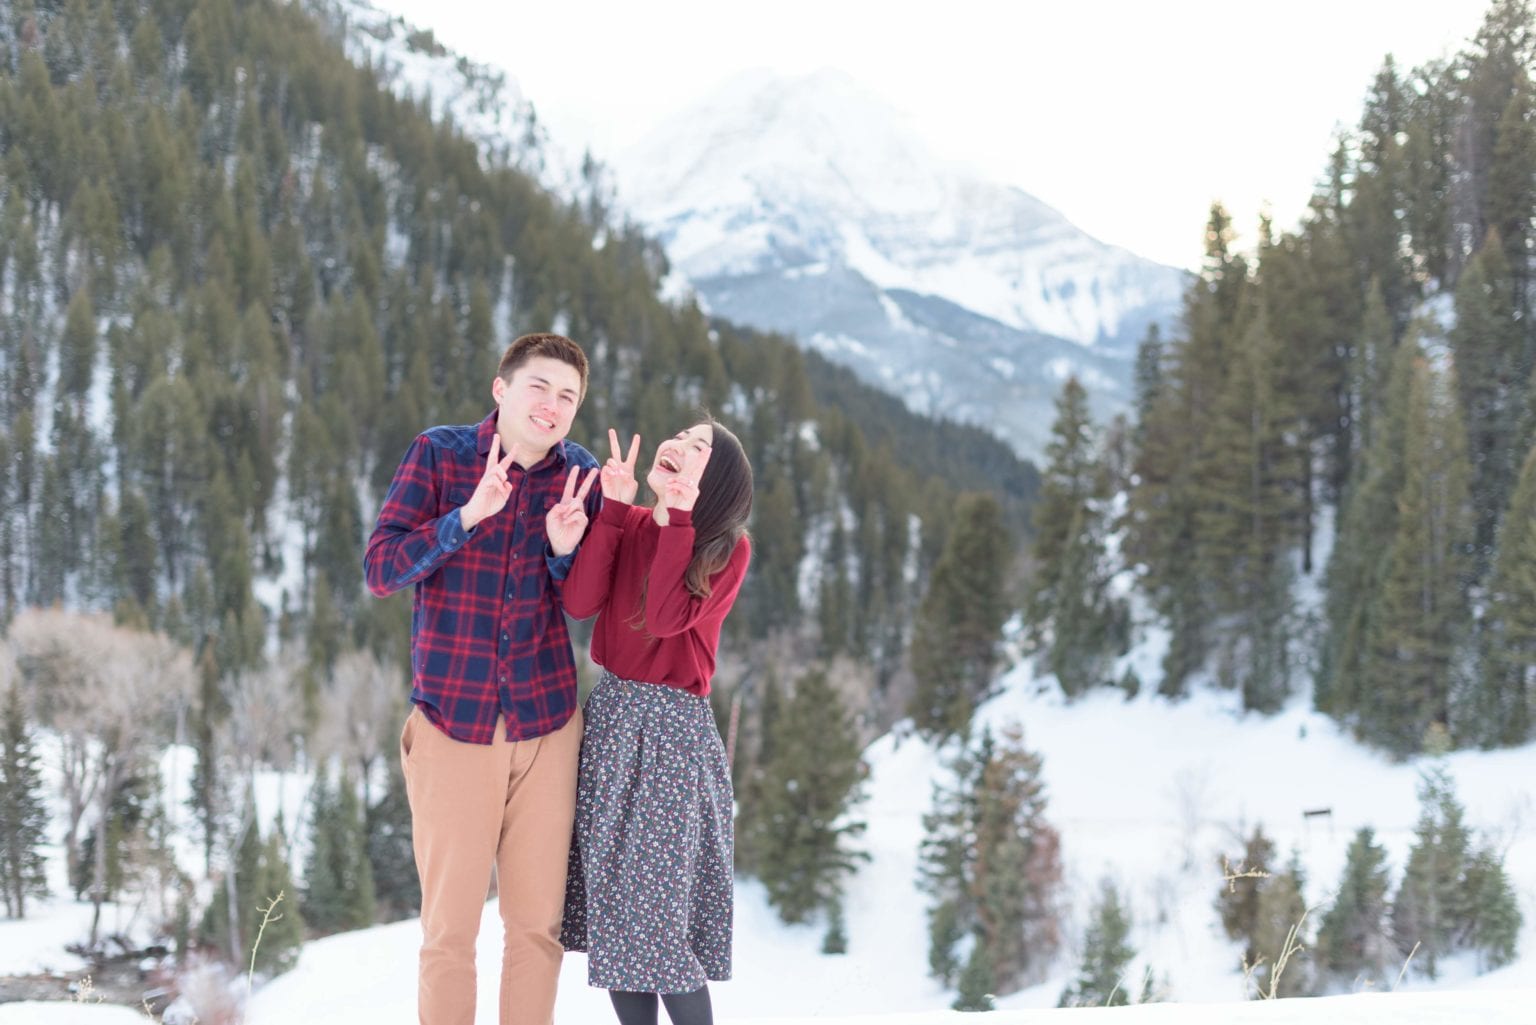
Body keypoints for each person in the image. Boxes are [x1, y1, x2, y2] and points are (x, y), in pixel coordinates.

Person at [364, 332, 601, 1025]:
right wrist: (466, 517)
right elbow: (381, 568)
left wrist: (565, 552)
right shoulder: (439, 454)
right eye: (539, 387)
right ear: (502, 390)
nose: (552, 406)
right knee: (449, 934)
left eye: (568, 396)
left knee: (536, 929)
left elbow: (583, 604)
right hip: (454, 727)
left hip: (548, 729)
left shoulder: (578, 477)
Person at [556, 419, 754, 1025]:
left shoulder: (727, 548)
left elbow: (667, 618)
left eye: (701, 449)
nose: (679, 445)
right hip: (613, 717)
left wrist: (678, 519)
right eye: (682, 435)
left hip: (672, 732)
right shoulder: (632, 524)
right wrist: (614, 511)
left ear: (713, 480)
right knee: (619, 919)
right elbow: (580, 603)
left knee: (658, 923)